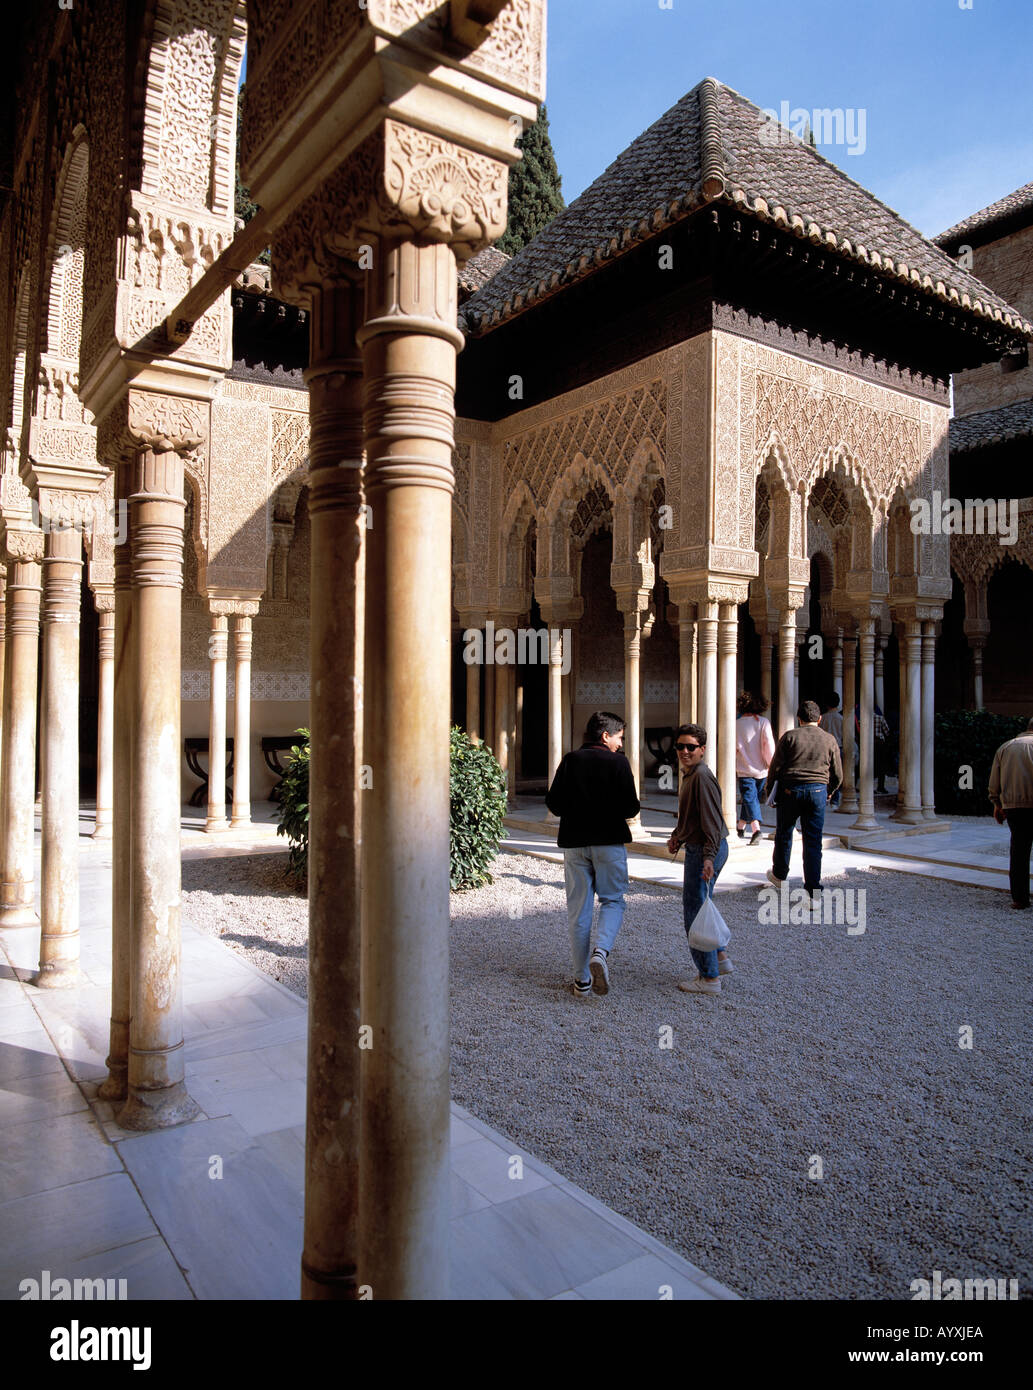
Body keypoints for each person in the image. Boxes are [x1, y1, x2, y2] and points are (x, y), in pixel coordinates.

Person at [546, 711, 641, 997]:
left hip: (575, 843)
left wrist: (577, 811)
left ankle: (581, 981)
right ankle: (600, 952)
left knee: (579, 910)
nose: (620, 744)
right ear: (605, 735)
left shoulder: (570, 760)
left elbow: (554, 803)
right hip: (609, 842)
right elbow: (631, 809)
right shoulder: (618, 763)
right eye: (619, 737)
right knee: (613, 900)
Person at [666, 724, 730, 996]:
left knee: (694, 913)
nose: (684, 751)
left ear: (702, 749)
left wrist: (707, 858)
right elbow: (691, 815)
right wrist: (677, 836)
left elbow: (712, 822)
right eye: (680, 746)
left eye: (690, 747)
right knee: (703, 906)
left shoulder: (701, 776)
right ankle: (719, 958)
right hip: (700, 847)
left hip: (704, 849)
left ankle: (709, 978)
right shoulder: (692, 774)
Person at [765, 699, 843, 896]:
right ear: (820, 719)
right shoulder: (829, 739)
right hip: (817, 791)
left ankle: (780, 876)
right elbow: (838, 774)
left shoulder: (790, 737)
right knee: (813, 841)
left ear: (798, 718)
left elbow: (775, 767)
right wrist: (829, 791)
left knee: (784, 834)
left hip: (791, 790)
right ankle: (813, 890)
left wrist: (770, 791)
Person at [988, 717, 1033, 910]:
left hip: (1014, 807)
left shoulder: (1006, 747)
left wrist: (997, 804)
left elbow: (994, 782)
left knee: (1019, 852)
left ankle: (1020, 899)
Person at [735, 691, 776, 843]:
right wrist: (772, 765)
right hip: (762, 770)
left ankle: (740, 827)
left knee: (750, 800)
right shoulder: (763, 722)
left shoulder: (736, 724)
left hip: (744, 769)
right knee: (752, 799)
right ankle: (756, 830)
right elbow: (769, 746)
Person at [819, 692, 844, 809]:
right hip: (838, 747)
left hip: (823, 749)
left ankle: (824, 797)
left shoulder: (822, 719)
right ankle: (835, 799)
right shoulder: (841, 719)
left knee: (824, 774)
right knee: (837, 774)